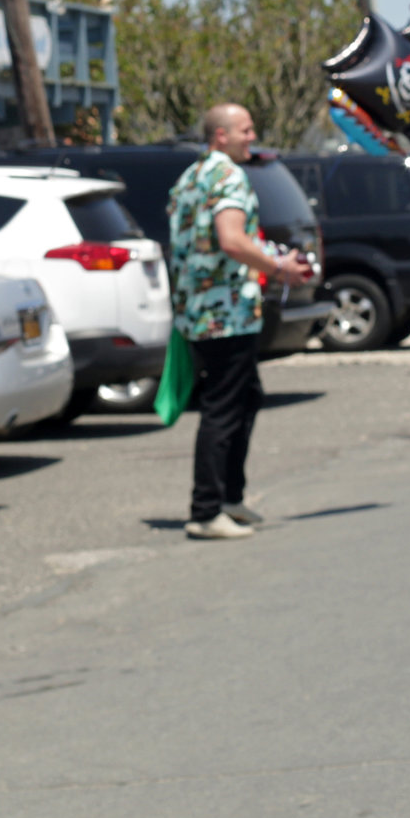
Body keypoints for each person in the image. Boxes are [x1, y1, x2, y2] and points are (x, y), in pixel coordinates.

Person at [166, 103, 314, 540]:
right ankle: (206, 510)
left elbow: (214, 241)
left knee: (246, 397)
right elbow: (231, 240)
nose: (252, 137)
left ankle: (229, 498)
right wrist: (279, 267)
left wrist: (270, 256)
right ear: (220, 136)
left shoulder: (191, 176)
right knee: (224, 407)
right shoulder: (228, 176)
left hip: (198, 309)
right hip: (225, 313)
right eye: (245, 130)